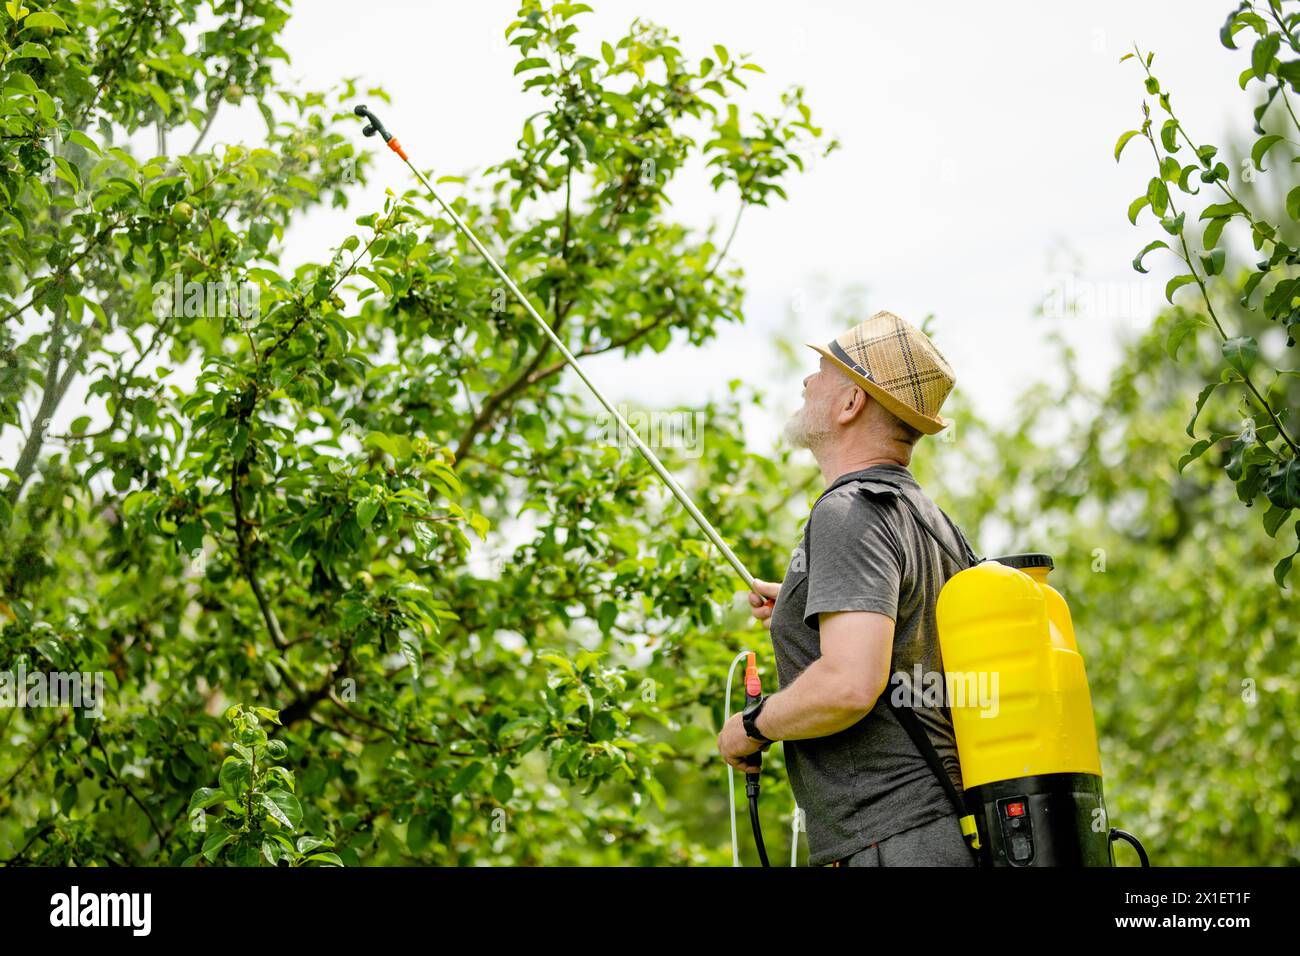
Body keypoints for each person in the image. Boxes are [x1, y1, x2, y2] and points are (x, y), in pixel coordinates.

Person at [716, 310, 977, 867]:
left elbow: (850, 685)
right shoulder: (934, 522)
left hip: (894, 843)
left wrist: (752, 728)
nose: (807, 383)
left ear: (850, 402)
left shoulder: (848, 512)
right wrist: (804, 597)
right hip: (945, 834)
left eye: (820, 371)